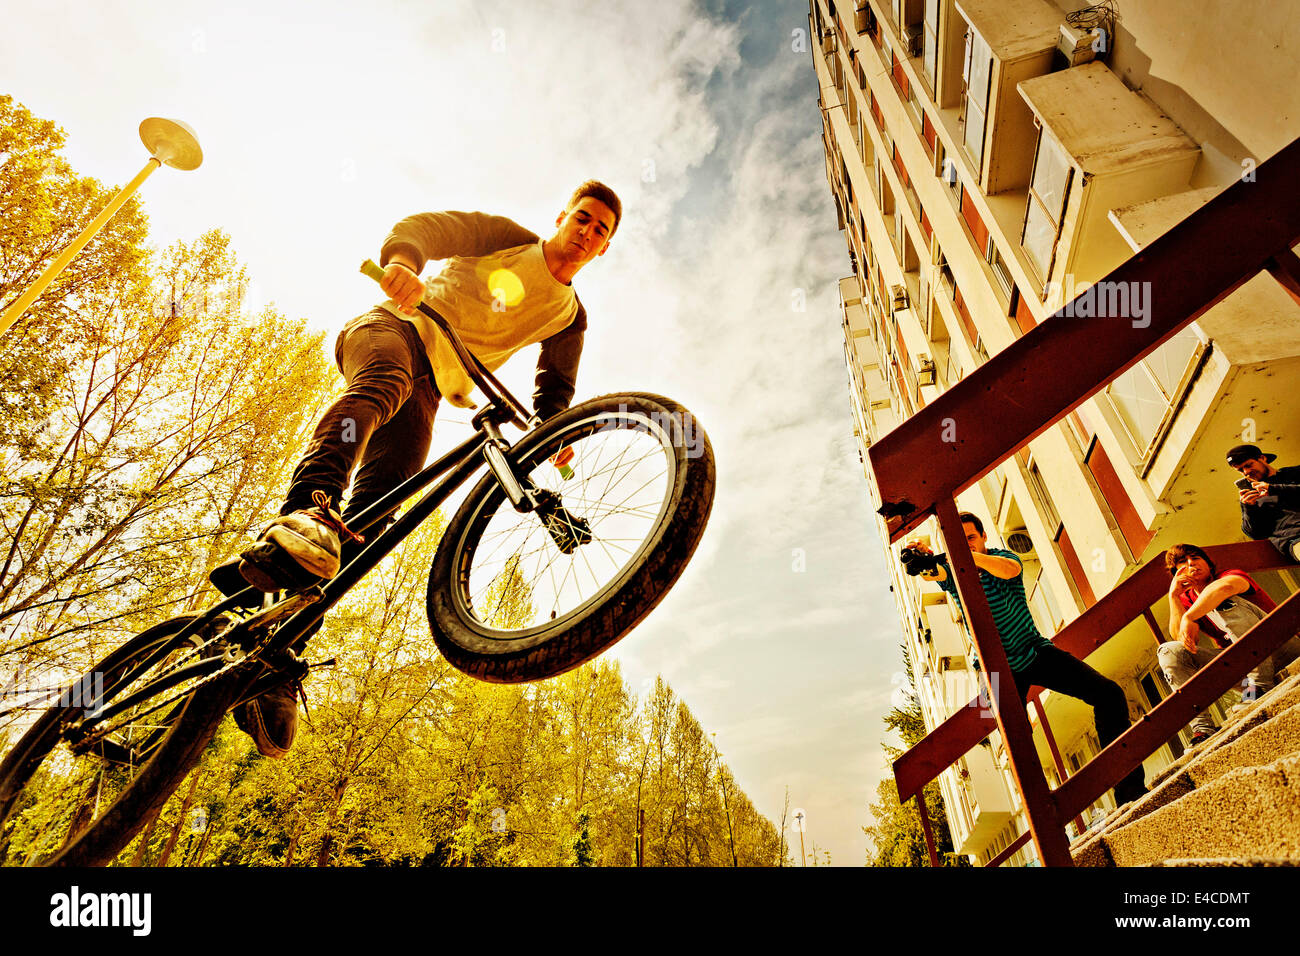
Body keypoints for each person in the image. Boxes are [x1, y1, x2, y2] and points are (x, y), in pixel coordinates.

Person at [210, 181, 622, 757]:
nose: (587, 233)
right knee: (384, 385)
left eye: (601, 231)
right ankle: (307, 512)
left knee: (375, 516)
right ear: (562, 218)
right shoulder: (508, 241)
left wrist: (556, 433)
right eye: (583, 219)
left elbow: (555, 387)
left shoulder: (568, 316)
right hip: (392, 328)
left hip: (434, 388)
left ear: (603, 251)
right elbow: (428, 228)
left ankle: (277, 649)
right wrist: (403, 264)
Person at [907, 513, 1148, 806]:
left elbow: (1008, 571)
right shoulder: (951, 573)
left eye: (969, 538)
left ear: (983, 537)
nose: (966, 545)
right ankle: (1047, 815)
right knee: (1015, 739)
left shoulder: (1003, 558)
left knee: (1109, 695)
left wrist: (961, 553)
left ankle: (1129, 790)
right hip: (994, 668)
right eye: (959, 541)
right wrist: (921, 554)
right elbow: (934, 573)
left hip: (1034, 651)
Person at [1158, 543, 1300, 745]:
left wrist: (1190, 616)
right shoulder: (1187, 599)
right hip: (1244, 669)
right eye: (1183, 562)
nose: (1191, 564)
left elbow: (1224, 588)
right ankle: (1202, 729)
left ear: (1207, 562)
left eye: (1195, 557)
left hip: (1284, 649)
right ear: (1177, 573)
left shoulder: (1229, 575)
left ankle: (1258, 688)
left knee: (1224, 601)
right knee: (1169, 651)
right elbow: (1183, 640)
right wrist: (1174, 597)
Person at [1229, 443, 1300, 562]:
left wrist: (1273, 489)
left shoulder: (1295, 473)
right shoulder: (1251, 495)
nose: (1246, 472)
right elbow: (1256, 534)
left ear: (1262, 458)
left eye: (1249, 465)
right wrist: (1249, 508)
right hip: (1295, 538)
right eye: (1241, 470)